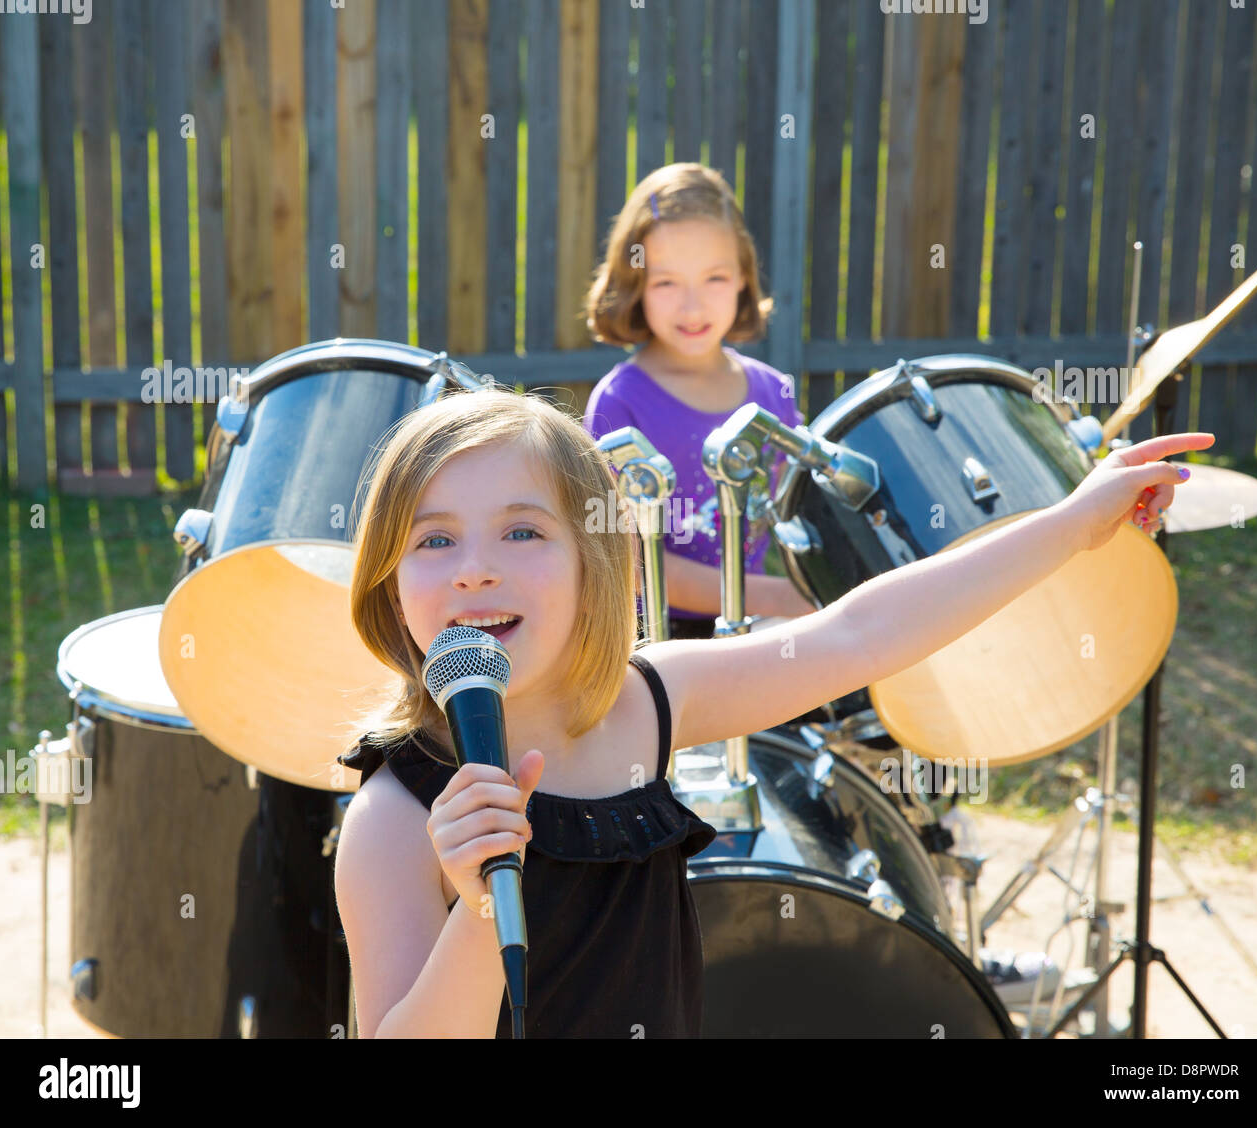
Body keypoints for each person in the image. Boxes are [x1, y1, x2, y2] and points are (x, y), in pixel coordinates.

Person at [332, 383, 1210, 1038]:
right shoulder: (395, 817)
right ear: (389, 577)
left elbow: (859, 633)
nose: (474, 566)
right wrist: (481, 905)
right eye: (433, 539)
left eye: (522, 531)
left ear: (593, 561)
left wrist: (1070, 521)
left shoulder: (644, 703)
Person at [581, 162, 813, 640]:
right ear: (635, 283)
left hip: (749, 637)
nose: (693, 306)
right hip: (653, 650)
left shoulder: (774, 394)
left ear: (744, 277)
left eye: (714, 278)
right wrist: (775, 596)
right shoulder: (618, 403)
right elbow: (626, 563)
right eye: (666, 282)